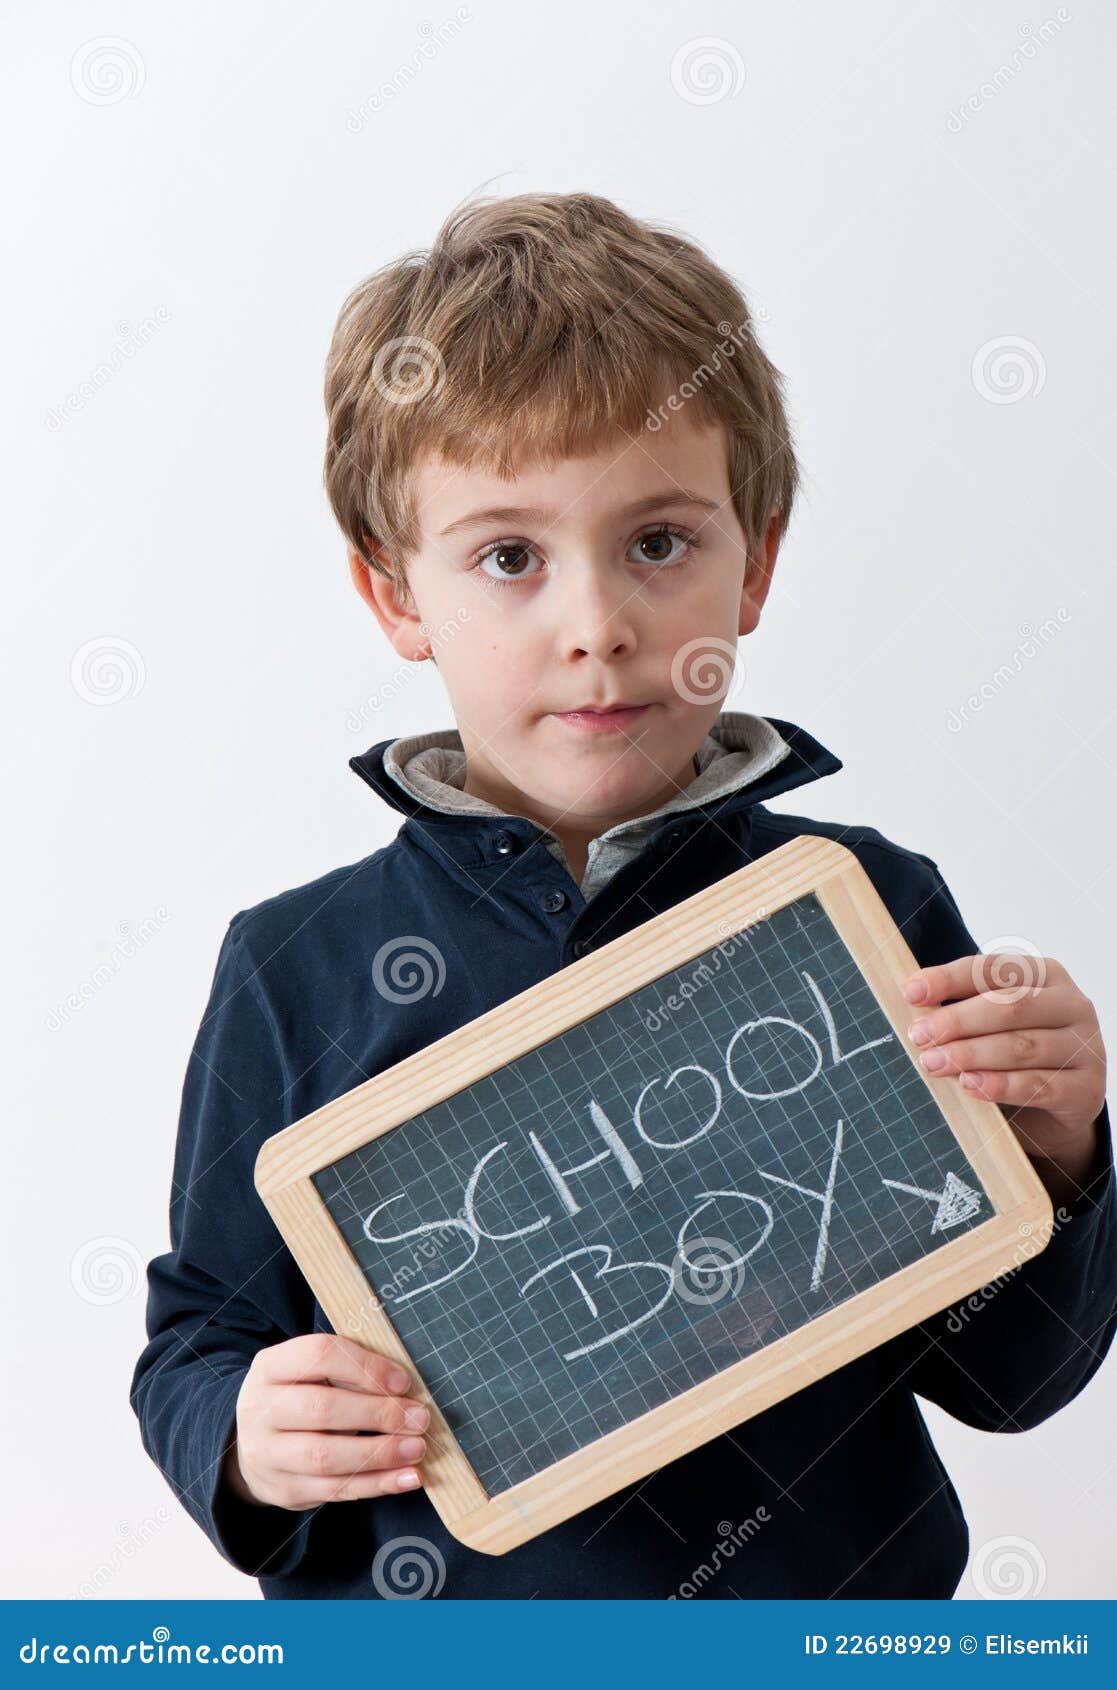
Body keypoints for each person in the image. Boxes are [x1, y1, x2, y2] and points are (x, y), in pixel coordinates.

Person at [130, 191, 1115, 1599]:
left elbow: (1012, 1376)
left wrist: (1059, 1151)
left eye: (657, 541)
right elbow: (203, 1333)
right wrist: (243, 1433)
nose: (593, 623)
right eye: (508, 557)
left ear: (753, 561)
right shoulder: (294, 966)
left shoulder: (862, 909)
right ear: (395, 594)